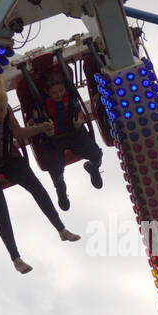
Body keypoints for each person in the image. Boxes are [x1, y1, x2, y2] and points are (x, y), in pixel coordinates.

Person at [0, 83, 80, 274]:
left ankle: (61, 229)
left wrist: (40, 128)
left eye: (2, 111)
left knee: (36, 186)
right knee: (0, 206)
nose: (0, 115)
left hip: (7, 156)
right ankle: (15, 257)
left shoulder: (6, 111)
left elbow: (18, 133)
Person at [31, 67, 103, 211]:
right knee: (55, 168)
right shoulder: (40, 105)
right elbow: (33, 123)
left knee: (96, 154)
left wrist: (80, 120)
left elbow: (79, 112)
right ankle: (60, 187)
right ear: (47, 92)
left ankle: (92, 167)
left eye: (60, 91)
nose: (58, 95)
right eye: (54, 93)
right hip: (53, 140)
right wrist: (44, 128)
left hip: (73, 133)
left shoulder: (69, 96)